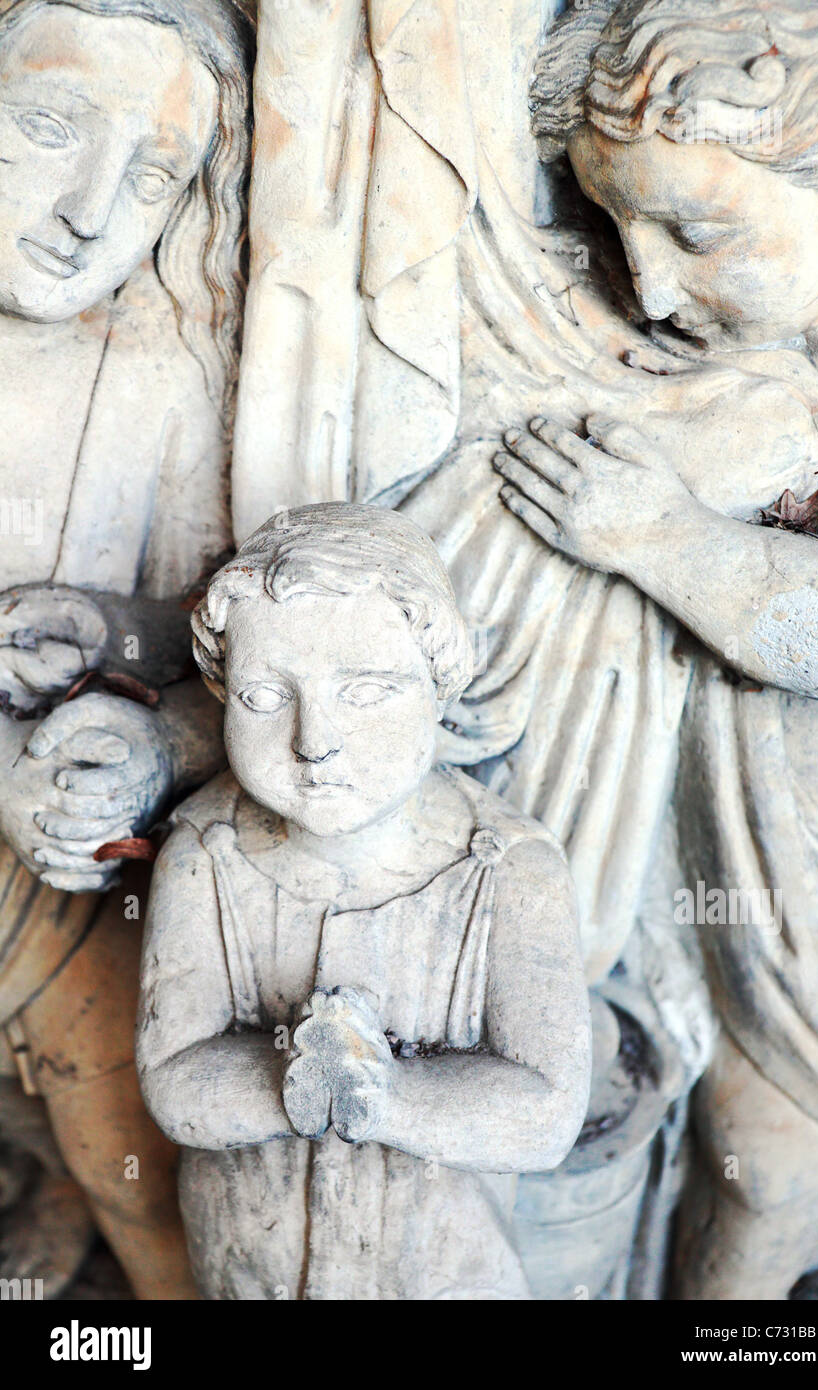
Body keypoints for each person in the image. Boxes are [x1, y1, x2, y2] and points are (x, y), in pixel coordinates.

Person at [495, 0, 818, 1298]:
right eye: (615, 226)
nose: (646, 283)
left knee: (768, 1167)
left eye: (692, 229)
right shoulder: (690, 340)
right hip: (690, 817)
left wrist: (665, 541)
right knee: (687, 1128)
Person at [137, 504, 591, 1300]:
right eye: (266, 697)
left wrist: (380, 1097)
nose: (316, 739)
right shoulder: (204, 856)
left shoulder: (511, 870)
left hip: (445, 1275)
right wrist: (290, 1082)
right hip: (252, 1269)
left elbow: (546, 1112)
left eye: (367, 691)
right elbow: (174, 1078)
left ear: (439, 684)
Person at [0, 0, 253, 1298]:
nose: (93, 212)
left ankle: (72, 1192)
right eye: (48, 126)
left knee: (138, 1171)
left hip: (71, 871)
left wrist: (145, 738)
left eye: (152, 171)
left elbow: (235, 659)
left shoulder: (163, 379)